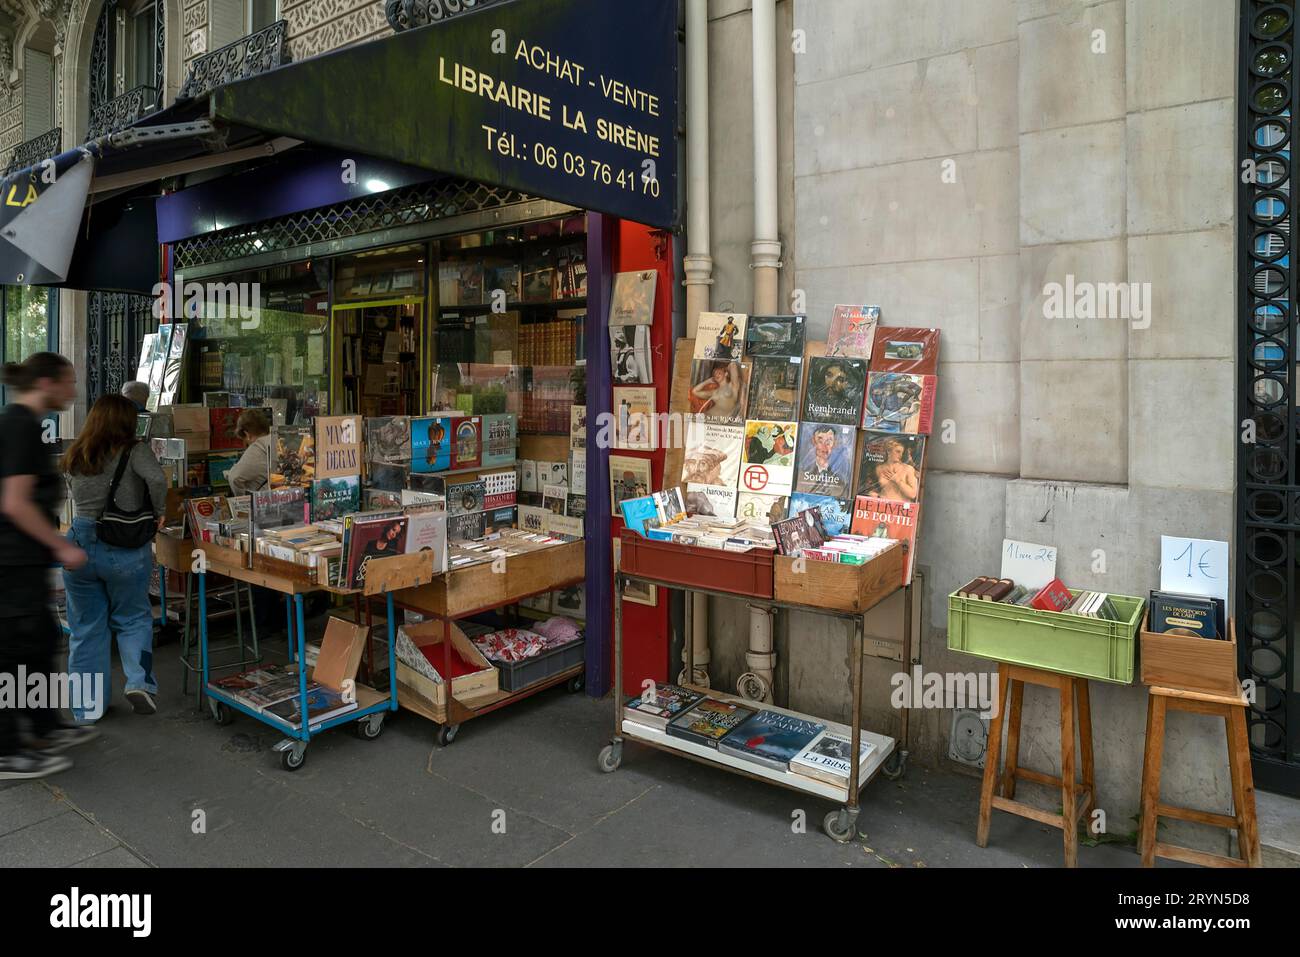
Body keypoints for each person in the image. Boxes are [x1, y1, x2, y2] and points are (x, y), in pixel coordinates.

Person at [0, 353, 97, 780]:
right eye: (69, 382)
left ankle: (44, 728)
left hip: (23, 566)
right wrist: (60, 546)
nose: (74, 391)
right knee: (14, 653)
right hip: (11, 566)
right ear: (46, 383)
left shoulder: (25, 424)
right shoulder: (20, 426)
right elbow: (14, 503)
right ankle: (9, 750)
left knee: (39, 643)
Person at [63, 394, 168, 719]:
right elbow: (156, 479)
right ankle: (138, 682)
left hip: (79, 541)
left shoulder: (78, 452)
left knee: (86, 627)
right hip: (123, 545)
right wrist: (159, 512)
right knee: (134, 618)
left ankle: (86, 708)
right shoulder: (135, 450)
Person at [226, 408, 273, 495]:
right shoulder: (277, 441)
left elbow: (235, 478)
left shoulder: (258, 447)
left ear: (247, 435)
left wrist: (242, 498)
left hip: (263, 502)